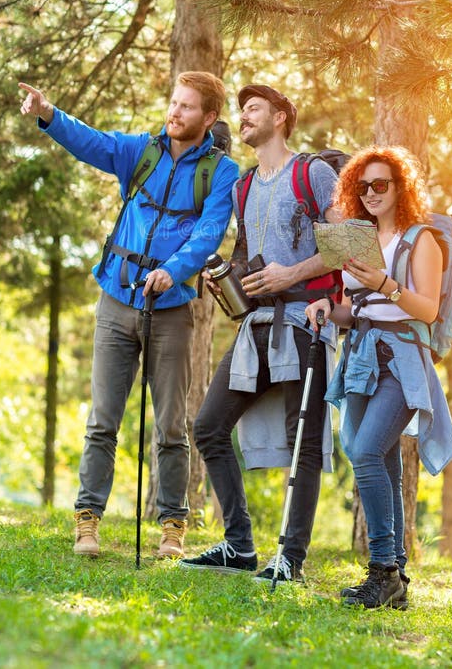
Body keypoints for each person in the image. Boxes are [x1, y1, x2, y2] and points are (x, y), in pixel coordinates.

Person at [19, 73, 239, 559]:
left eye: (186, 107)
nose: (175, 112)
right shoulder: (141, 151)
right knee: (102, 421)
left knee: (170, 427)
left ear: (208, 117)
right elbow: (91, 142)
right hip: (117, 299)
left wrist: (173, 270)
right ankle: (87, 522)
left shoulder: (221, 173)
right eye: (173, 103)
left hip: (172, 309)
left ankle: (172, 528)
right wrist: (48, 114)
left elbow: (209, 233)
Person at [180, 84, 341, 584]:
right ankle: (239, 545)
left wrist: (292, 275)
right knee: (208, 426)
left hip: (304, 322)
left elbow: (346, 246)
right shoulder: (243, 187)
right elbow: (251, 258)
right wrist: (226, 277)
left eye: (254, 109)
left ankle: (291, 556)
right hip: (257, 326)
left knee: (303, 441)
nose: (244, 117)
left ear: (281, 117)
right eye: (242, 110)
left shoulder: (313, 172)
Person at [306, 145, 452, 608]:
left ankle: (383, 571)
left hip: (402, 360)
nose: (371, 193)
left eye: (380, 185)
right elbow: (357, 310)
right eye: (363, 186)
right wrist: (328, 310)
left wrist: (384, 283)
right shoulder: (360, 238)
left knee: (366, 450)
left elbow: (426, 308)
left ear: (400, 188)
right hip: (361, 356)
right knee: (380, 459)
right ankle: (395, 578)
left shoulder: (421, 239)